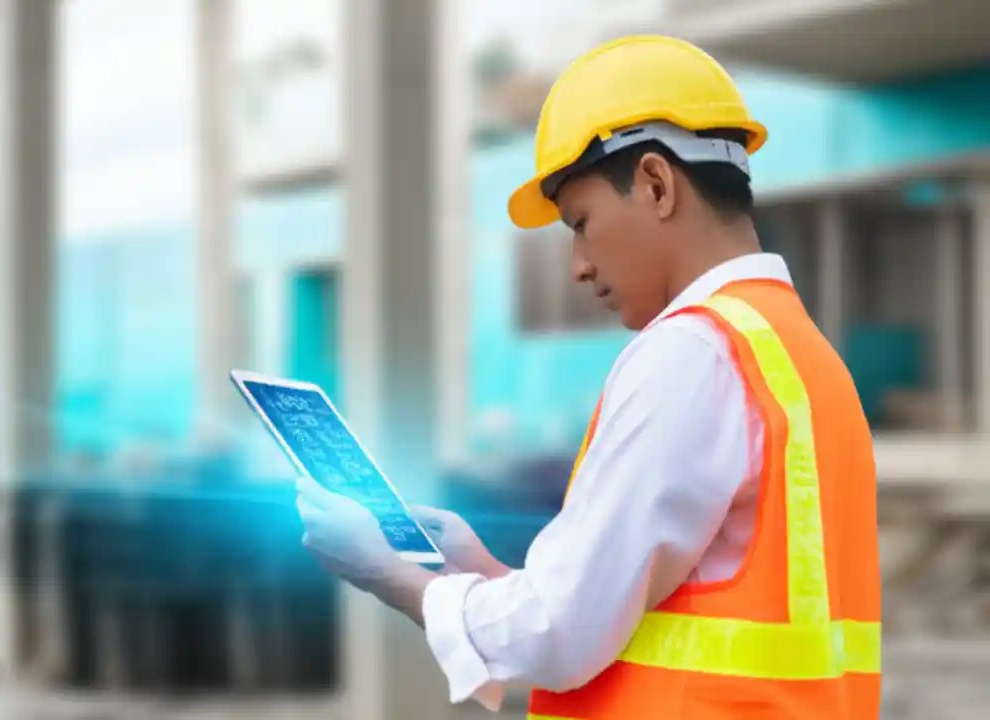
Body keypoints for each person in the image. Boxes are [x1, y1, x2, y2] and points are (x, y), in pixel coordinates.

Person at [296, 34, 881, 718]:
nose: (578, 264)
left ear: (658, 185)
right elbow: (658, 610)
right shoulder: (801, 356)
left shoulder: (693, 353)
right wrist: (484, 572)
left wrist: (388, 575)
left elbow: (561, 631)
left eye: (581, 222)